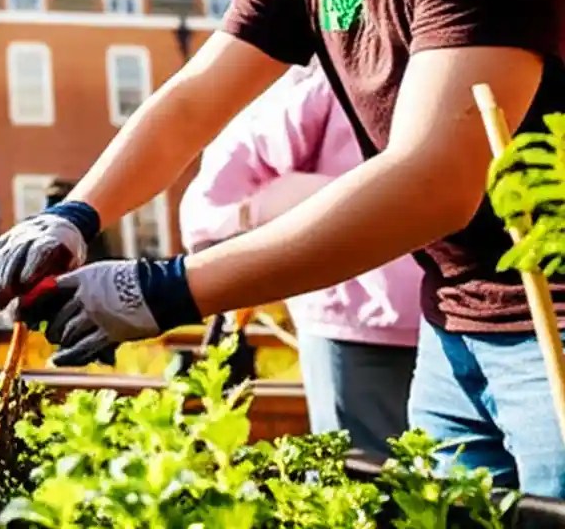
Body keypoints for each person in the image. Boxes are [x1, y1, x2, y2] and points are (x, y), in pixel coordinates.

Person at [0, 0, 565, 497]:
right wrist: (76, 214)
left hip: (550, 316)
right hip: (453, 320)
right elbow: (194, 98)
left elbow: (435, 179)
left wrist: (163, 291)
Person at [180, 62, 423, 459]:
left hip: (367, 315)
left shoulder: (342, 65)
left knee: (364, 486)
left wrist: (250, 216)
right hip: (399, 314)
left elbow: (219, 196)